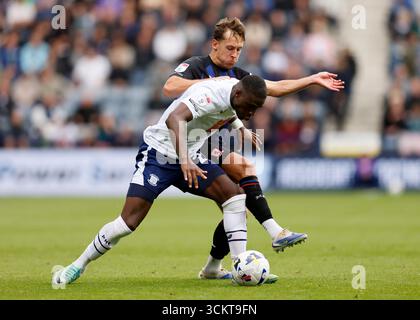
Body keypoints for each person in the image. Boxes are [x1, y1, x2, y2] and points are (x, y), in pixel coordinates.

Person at [163, 17, 345, 282]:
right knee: (244, 173)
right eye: (229, 48)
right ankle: (275, 232)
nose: (234, 54)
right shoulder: (197, 66)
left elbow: (276, 88)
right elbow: (170, 86)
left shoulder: (239, 77)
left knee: (239, 210)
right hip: (188, 141)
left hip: (210, 142)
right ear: (214, 45)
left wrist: (312, 79)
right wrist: (214, 84)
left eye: (238, 49)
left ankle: (214, 267)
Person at [51, 75, 267, 285]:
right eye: (251, 106)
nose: (252, 112)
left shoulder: (235, 94)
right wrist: (184, 160)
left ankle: (236, 266)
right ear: (238, 93)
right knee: (128, 223)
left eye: (257, 107)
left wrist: (241, 130)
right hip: (159, 154)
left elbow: (254, 99)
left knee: (235, 197)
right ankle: (78, 264)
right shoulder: (210, 96)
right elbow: (175, 118)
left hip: (189, 155)